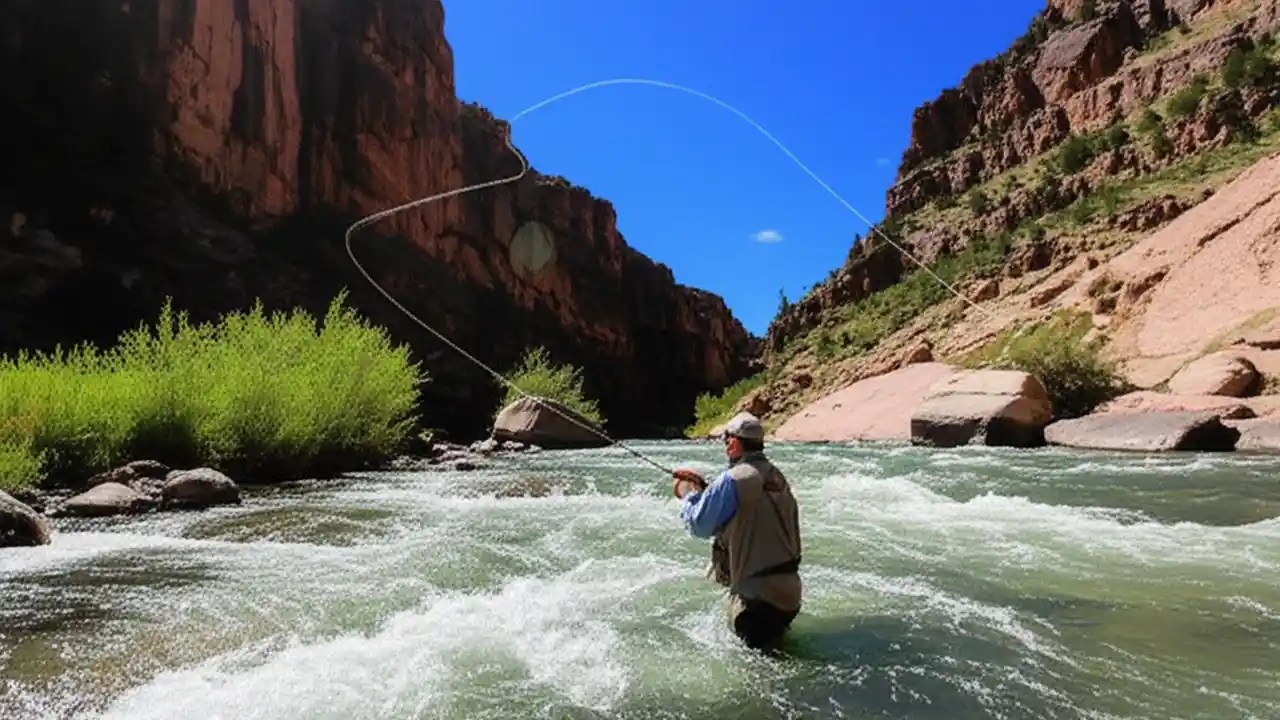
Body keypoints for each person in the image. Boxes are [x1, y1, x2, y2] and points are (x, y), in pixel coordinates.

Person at [672, 411, 802, 652]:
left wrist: (688, 495)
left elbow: (699, 525)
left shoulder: (731, 481)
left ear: (733, 444)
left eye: (726, 442)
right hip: (790, 598)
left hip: (755, 603)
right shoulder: (777, 477)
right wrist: (708, 494)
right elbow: (751, 512)